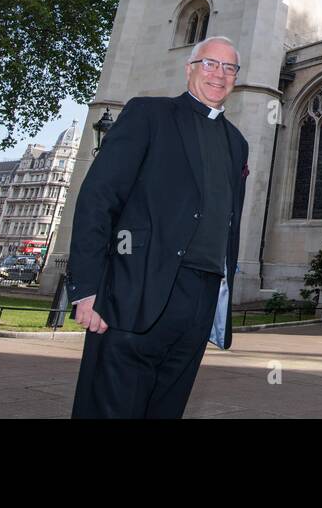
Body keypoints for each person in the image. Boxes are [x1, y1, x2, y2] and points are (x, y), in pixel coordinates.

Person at [68, 36, 249, 418]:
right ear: (190, 69)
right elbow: (98, 199)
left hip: (200, 297)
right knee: (111, 408)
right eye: (210, 64)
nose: (219, 74)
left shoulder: (237, 142)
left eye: (229, 68)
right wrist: (86, 287)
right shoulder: (148, 114)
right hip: (136, 288)